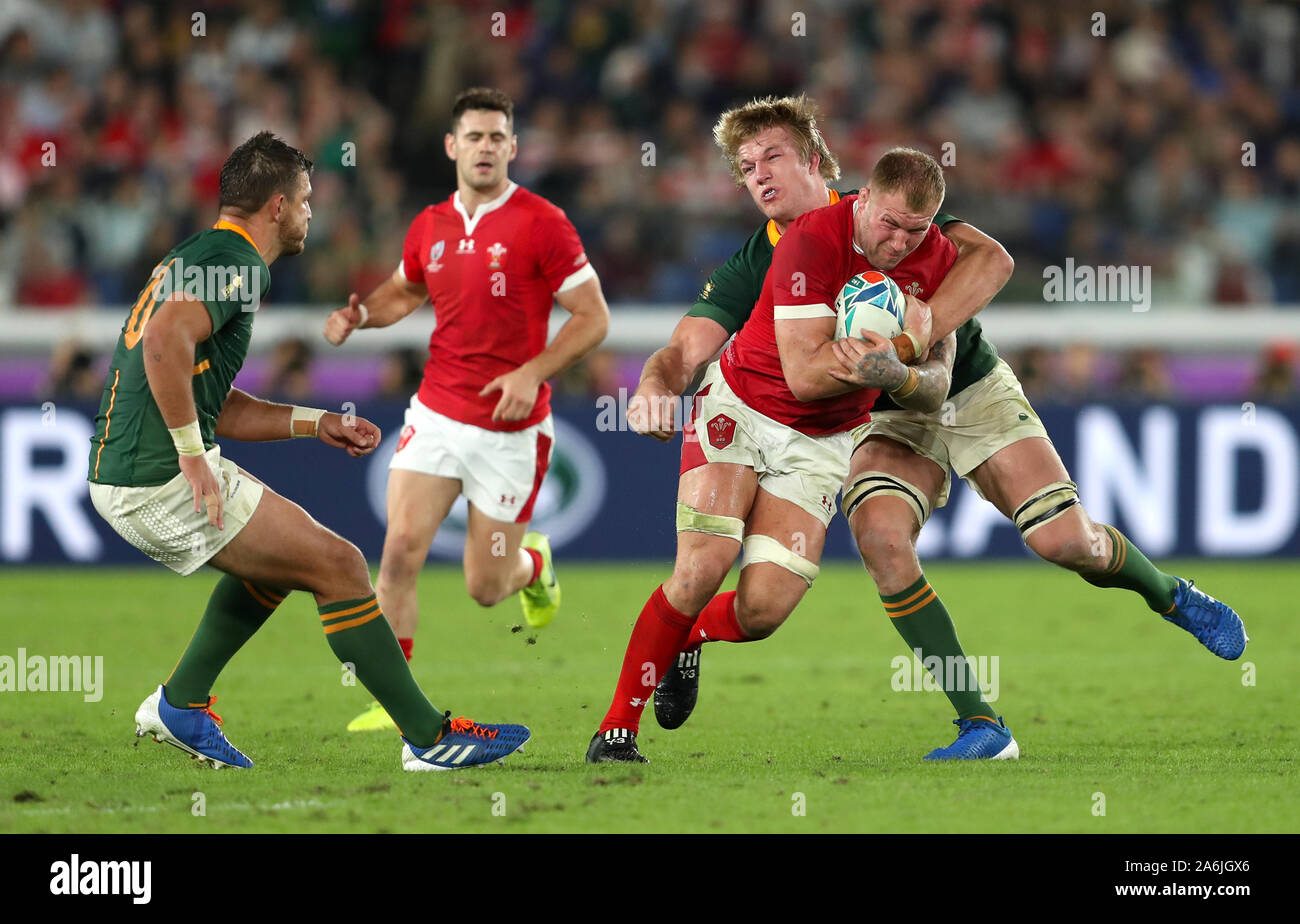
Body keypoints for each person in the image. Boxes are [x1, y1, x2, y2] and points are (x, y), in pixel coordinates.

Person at [619, 96, 1249, 763]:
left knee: (1067, 540)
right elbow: (689, 347)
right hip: (877, 412)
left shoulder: (885, 207)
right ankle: (982, 723)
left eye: (772, 156)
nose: (759, 175)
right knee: (883, 540)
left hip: (970, 386)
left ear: (813, 157)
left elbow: (989, 259)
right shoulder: (760, 261)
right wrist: (657, 386)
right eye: (745, 167)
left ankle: (1169, 594)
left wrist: (920, 336)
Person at [87, 131, 528, 772]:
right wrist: (189, 454)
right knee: (340, 566)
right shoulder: (235, 262)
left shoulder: (203, 256)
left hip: (138, 467)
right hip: (154, 475)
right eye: (306, 198)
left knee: (279, 568)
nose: (310, 212)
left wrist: (312, 422)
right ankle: (429, 738)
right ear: (276, 207)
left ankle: (181, 704)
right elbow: (162, 344)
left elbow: (209, 397)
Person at [585, 136, 962, 764]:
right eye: (890, 225)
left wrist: (898, 377)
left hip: (823, 440)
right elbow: (804, 379)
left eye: (915, 231)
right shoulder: (812, 240)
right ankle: (616, 730)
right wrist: (885, 363)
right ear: (865, 201)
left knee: (763, 611)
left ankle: (685, 638)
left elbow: (938, 384)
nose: (900, 243)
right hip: (743, 408)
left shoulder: (937, 258)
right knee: (703, 566)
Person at [324, 88, 610, 733]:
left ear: (512, 148)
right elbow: (405, 289)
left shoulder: (543, 223)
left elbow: (594, 318)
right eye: (473, 137)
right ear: (452, 147)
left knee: (485, 586)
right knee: (397, 553)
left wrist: (531, 373)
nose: (485, 147)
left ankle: (534, 565)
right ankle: (394, 700)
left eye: (496, 137)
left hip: (510, 433)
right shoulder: (430, 224)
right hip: (436, 414)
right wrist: (362, 314)